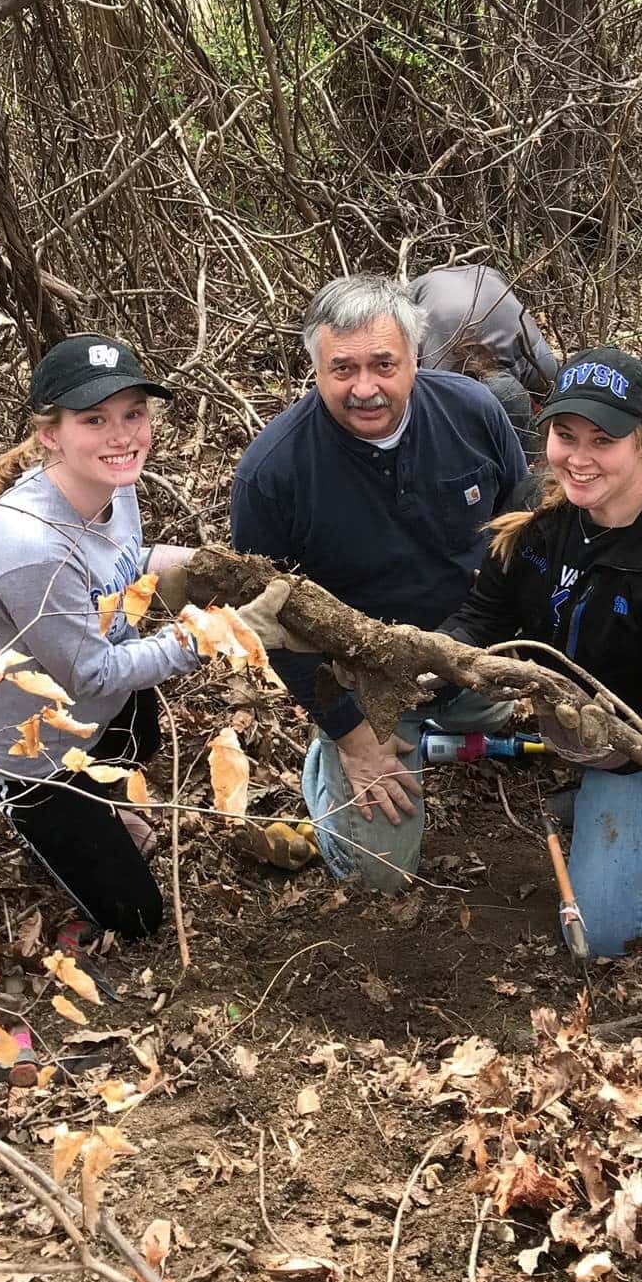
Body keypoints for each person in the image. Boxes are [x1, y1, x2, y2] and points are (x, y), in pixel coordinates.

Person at [0, 334, 288, 944]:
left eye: (133, 414)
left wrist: (203, 567)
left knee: (141, 731)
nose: (122, 436)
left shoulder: (114, 482)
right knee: (136, 919)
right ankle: (37, 816)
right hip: (30, 754)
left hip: (89, 704)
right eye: (95, 420)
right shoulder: (30, 550)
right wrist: (215, 632)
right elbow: (95, 673)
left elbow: (124, 564)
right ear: (50, 433)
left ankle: (102, 801)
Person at [441, 347, 642, 957]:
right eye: (565, 435)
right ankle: (584, 792)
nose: (578, 460)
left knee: (607, 934)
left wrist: (612, 751)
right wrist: (440, 656)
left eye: (603, 440)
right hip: (559, 713)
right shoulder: (541, 510)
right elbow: (484, 616)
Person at [231, 275, 527, 891]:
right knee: (379, 877)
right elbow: (271, 629)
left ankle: (460, 716)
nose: (365, 388)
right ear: (315, 368)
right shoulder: (273, 471)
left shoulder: (475, 412)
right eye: (343, 368)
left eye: (383, 364)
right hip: (360, 685)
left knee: (509, 713)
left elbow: (525, 531)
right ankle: (327, 762)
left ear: (416, 359)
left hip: (472, 651)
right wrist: (351, 736)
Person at [411, 262, 560, 400]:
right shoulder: (441, 367)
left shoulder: (542, 366)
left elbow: (554, 399)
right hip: (421, 295)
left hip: (487, 275)